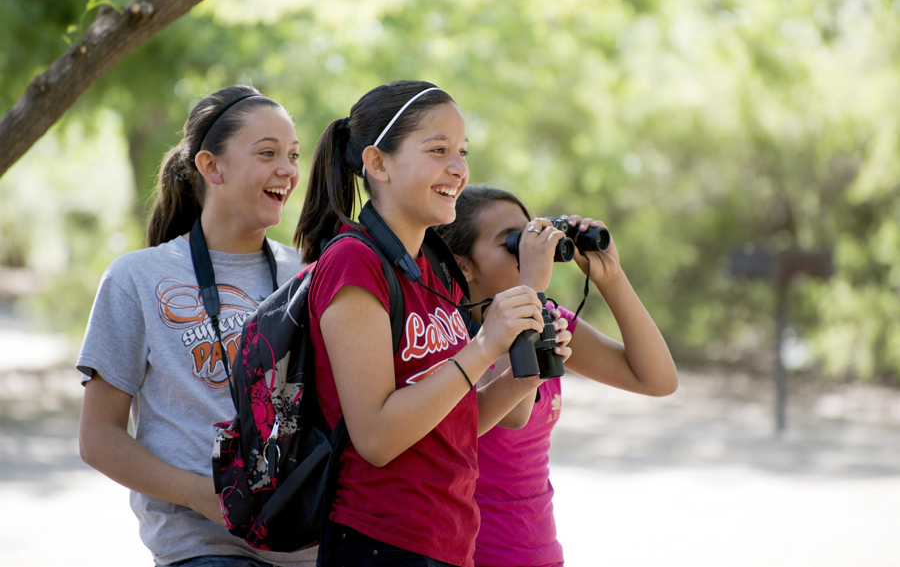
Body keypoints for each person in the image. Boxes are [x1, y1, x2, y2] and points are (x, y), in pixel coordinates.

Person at [293, 80, 573, 567]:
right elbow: (377, 438)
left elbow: (457, 424)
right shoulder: (353, 261)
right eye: (438, 149)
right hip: (379, 543)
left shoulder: (434, 267)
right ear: (377, 164)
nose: (459, 169)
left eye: (462, 151)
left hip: (448, 541)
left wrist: (526, 368)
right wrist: (484, 345)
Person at [77, 85, 317, 566]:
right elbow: (98, 438)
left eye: (292, 155)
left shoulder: (312, 273)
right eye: (267, 153)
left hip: (307, 546)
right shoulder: (136, 278)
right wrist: (206, 496)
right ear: (212, 166)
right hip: (202, 547)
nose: (288, 171)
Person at [436, 185, 679, 567]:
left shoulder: (548, 319)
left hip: (541, 555)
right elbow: (513, 412)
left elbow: (657, 380)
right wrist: (530, 283)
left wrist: (610, 278)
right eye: (514, 244)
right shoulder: (451, 337)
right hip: (475, 557)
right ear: (464, 265)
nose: (533, 252)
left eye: (532, 237)